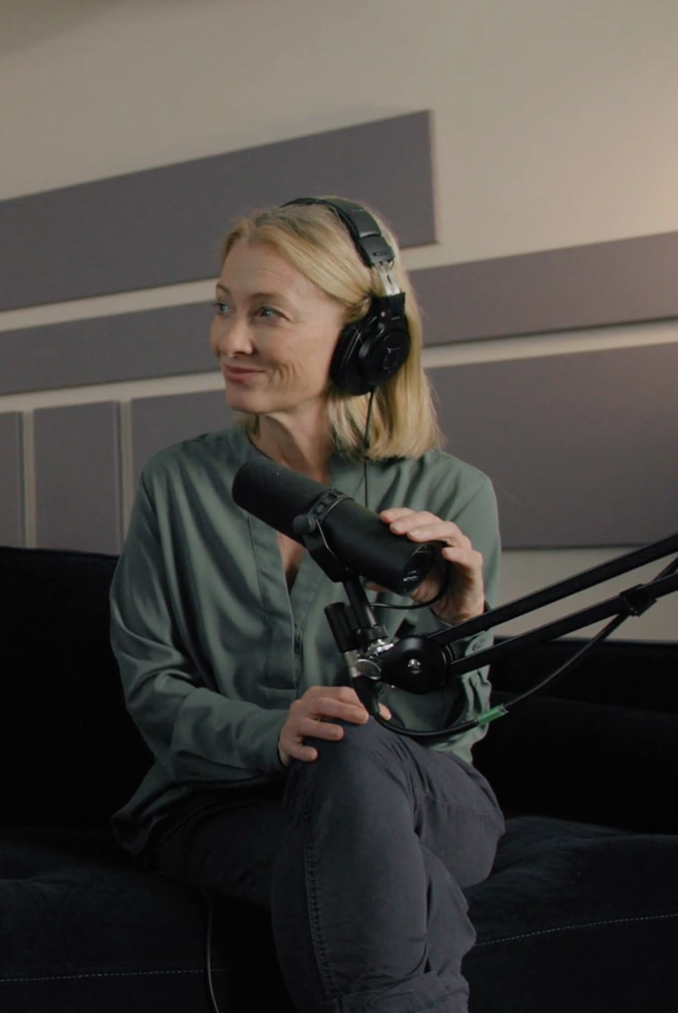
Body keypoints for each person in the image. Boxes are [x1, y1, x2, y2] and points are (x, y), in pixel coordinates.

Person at [110, 197, 503, 1011]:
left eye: (266, 314)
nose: (229, 340)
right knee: (372, 859)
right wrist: (272, 733)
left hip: (426, 796)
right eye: (222, 307)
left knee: (355, 750)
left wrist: (460, 621)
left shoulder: (451, 493)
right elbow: (152, 686)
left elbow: (459, 726)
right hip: (220, 804)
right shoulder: (176, 485)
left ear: (365, 338)